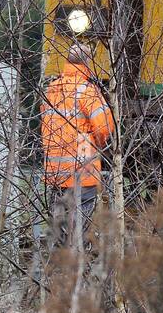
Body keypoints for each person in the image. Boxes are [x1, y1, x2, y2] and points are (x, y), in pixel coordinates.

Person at [41, 43, 114, 248]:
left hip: (55, 173)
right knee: (80, 228)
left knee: (60, 228)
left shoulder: (52, 89)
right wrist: (94, 144)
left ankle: (59, 270)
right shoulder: (87, 91)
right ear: (87, 64)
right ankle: (77, 268)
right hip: (82, 170)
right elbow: (104, 127)